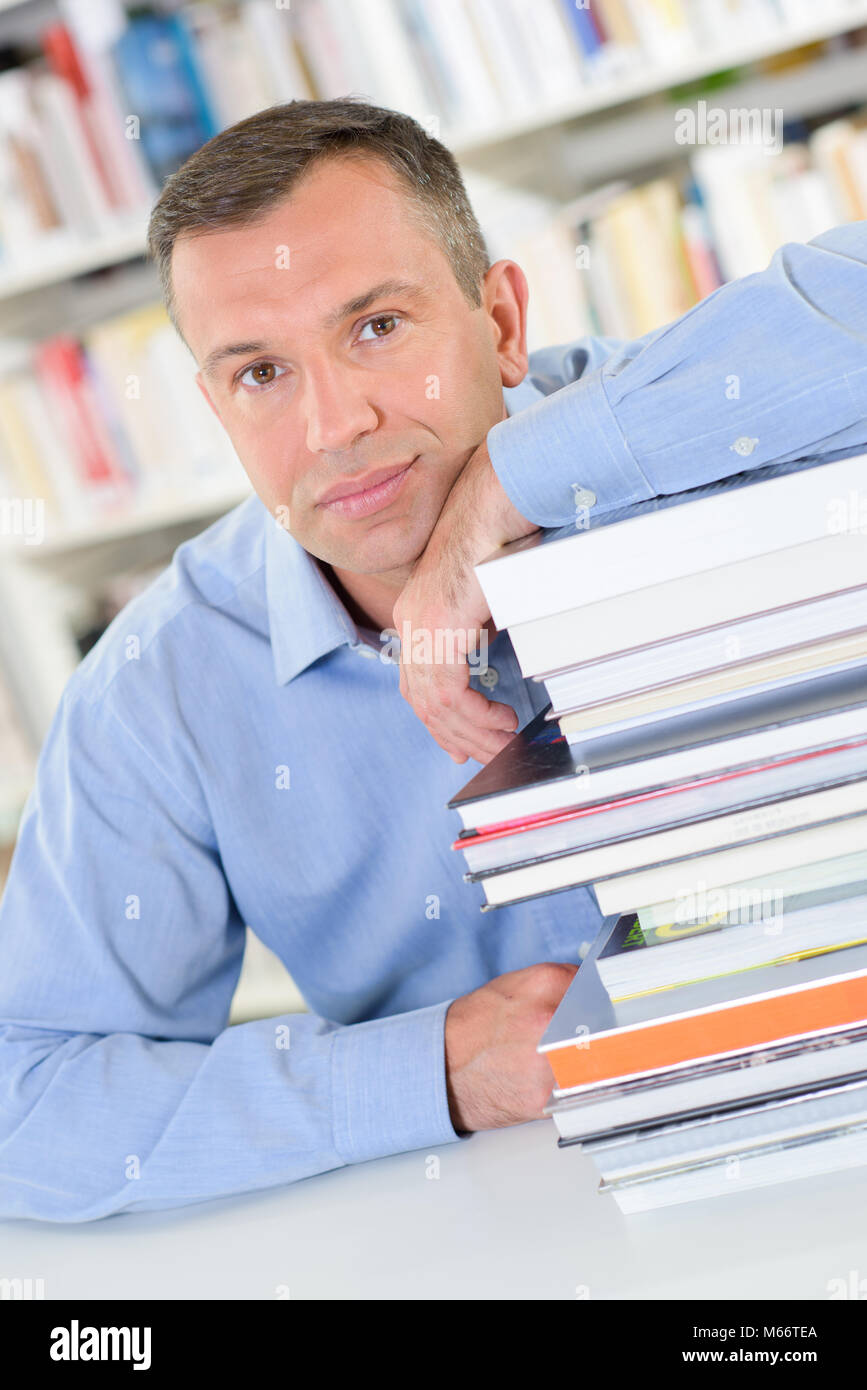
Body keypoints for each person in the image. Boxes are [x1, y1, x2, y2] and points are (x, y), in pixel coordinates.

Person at [0, 100, 865, 1222]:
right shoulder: (159, 693)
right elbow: (25, 1100)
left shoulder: (712, 425)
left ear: (502, 320)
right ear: (215, 408)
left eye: (376, 328)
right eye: (261, 374)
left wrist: (515, 484)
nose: (335, 425)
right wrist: (431, 1072)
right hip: (527, 1235)